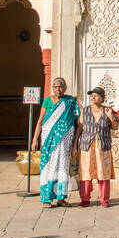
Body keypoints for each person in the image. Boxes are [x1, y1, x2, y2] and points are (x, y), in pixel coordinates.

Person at [30, 77, 79, 207]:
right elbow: (40, 121)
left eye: (61, 87)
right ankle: (46, 198)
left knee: (63, 168)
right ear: (53, 88)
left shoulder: (70, 102)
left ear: (65, 88)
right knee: (48, 167)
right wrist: (35, 139)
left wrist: (75, 144)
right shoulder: (47, 101)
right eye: (56, 87)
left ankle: (61, 198)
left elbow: (77, 123)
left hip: (64, 141)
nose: (58, 89)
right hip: (48, 141)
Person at [75, 87, 119, 207]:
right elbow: (80, 127)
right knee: (85, 172)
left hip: (102, 146)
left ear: (102, 98)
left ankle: (104, 199)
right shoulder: (85, 111)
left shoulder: (108, 111)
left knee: (103, 173)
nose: (93, 97)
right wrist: (75, 144)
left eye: (96, 95)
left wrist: (110, 116)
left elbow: (115, 127)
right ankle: (85, 198)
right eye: (92, 95)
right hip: (87, 146)